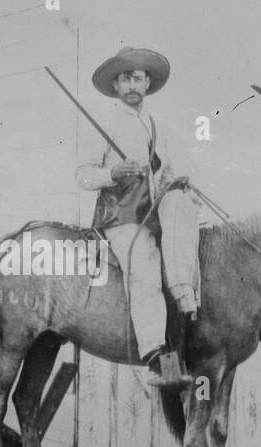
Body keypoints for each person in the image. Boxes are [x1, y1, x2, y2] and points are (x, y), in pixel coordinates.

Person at [74, 46, 200, 390]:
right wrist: (113, 171)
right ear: (115, 85)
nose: (133, 84)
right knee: (144, 268)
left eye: (138, 77)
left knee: (184, 264)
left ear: (148, 83)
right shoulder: (103, 122)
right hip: (122, 217)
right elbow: (82, 176)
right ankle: (154, 357)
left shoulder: (156, 124)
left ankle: (181, 356)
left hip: (156, 215)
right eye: (126, 78)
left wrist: (176, 182)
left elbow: (166, 172)